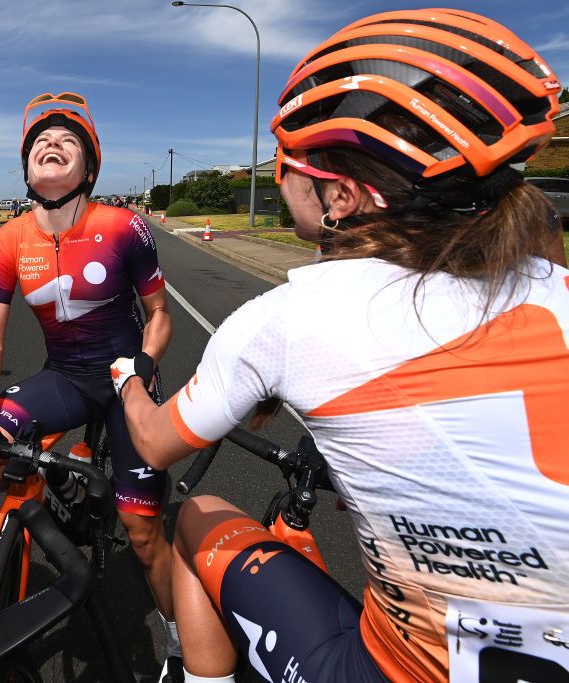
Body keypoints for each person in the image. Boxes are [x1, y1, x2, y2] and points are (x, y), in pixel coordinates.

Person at [112, 10, 569, 683]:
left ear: (343, 196)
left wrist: (128, 376)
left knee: (195, 517)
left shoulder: (290, 318)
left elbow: (153, 442)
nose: (278, 178)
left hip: (397, 669)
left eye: (289, 161)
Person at [0, 92, 178, 678]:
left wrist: (144, 366)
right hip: (66, 377)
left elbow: (159, 315)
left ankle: (180, 642)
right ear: (27, 168)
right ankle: (61, 485)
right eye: (41, 141)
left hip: (126, 379)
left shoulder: (124, 227)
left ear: (89, 170)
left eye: (67, 140)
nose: (51, 144)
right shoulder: (9, 240)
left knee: (142, 531)